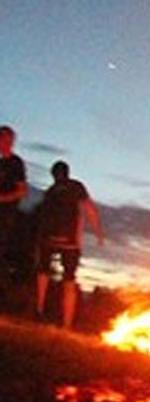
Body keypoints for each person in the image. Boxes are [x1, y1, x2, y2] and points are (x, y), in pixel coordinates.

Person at [35, 160, 104, 329]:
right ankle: (66, 323)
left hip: (49, 239)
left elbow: (42, 217)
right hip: (70, 242)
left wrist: (39, 239)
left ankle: (39, 309)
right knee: (69, 281)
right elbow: (89, 208)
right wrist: (98, 231)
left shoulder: (50, 192)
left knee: (43, 274)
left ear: (53, 175)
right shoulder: (76, 187)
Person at [0, 125, 30, 286]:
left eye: (7, 139)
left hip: (5, 216)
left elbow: (22, 191)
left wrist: (4, 198)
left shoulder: (15, 163)